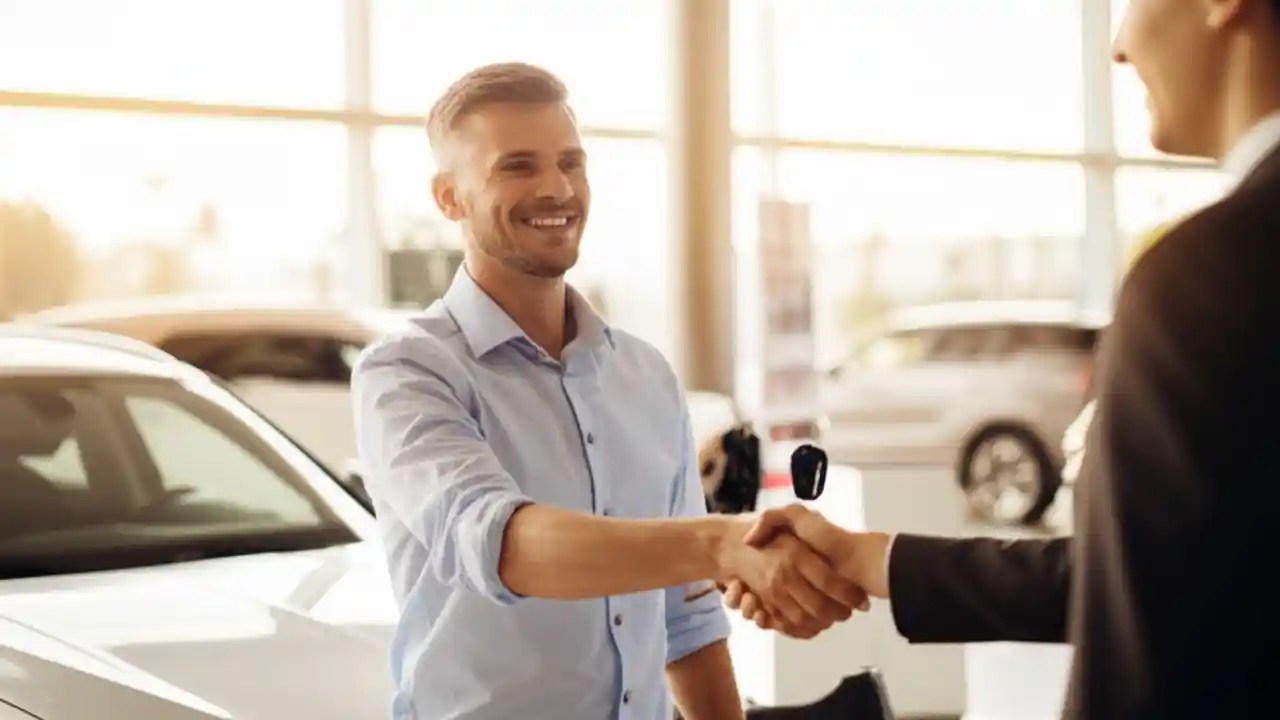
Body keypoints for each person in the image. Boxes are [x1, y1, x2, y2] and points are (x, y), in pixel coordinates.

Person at [726, 0, 1280, 717]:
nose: (1117, 45)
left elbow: (1153, 646)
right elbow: (1171, 575)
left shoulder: (1211, 274)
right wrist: (873, 559)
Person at [351, 62, 864, 720]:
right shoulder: (407, 375)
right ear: (449, 198)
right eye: (518, 167)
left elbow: (686, 616)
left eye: (571, 162)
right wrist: (720, 543)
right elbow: (501, 544)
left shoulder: (645, 376)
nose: (556, 188)